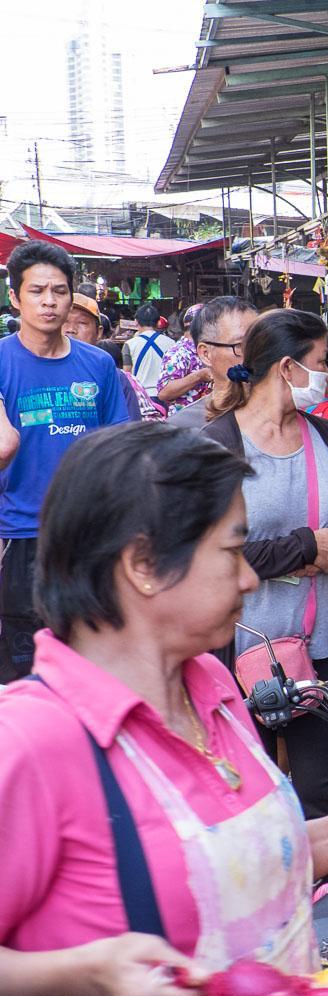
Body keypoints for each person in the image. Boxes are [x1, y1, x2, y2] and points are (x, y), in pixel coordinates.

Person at [0, 422, 328, 992]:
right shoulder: (29, 740)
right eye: (232, 550)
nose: (247, 577)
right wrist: (78, 976)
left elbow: (236, 869)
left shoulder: (210, 686)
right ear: (143, 565)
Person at [202, 309, 328, 818]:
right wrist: (304, 548)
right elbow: (204, 559)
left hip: (322, 645)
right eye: (321, 361)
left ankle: (327, 893)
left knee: (327, 793)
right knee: (250, 800)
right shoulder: (217, 448)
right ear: (287, 368)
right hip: (239, 650)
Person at [0, 241, 131, 682]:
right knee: (25, 680)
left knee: (91, 671)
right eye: (37, 291)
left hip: (88, 538)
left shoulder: (98, 366)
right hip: (16, 539)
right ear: (16, 297)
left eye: (59, 290)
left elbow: (120, 451)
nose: (49, 302)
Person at [168, 297, 259, 430]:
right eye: (240, 345)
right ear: (206, 354)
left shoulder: (287, 416)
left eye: (261, 342)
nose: (257, 352)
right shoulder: (184, 429)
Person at [67, 294, 161, 423]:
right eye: (63, 322)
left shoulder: (114, 376)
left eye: (82, 323)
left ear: (99, 332)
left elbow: (126, 432)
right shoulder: (33, 371)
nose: (71, 329)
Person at [156, 304, 212, 413]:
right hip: (184, 422)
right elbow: (164, 392)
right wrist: (199, 376)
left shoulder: (205, 349)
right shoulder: (178, 353)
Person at [124, 304, 171, 392]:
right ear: (158, 322)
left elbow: (127, 375)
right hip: (166, 393)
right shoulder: (171, 343)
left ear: (136, 322)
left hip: (141, 395)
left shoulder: (129, 344)